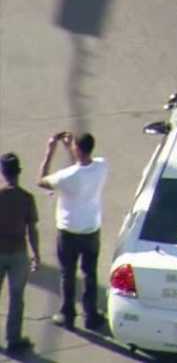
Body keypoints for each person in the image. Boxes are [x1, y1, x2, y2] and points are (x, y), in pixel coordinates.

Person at [38, 131, 109, 329]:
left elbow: (42, 181)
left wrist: (50, 150)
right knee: (90, 273)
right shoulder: (102, 166)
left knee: (67, 273)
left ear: (77, 149)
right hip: (91, 228)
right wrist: (71, 147)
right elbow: (81, 167)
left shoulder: (66, 176)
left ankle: (67, 314)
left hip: (68, 230)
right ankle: (91, 315)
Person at [0, 153, 39, 354]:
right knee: (16, 297)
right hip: (18, 254)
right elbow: (32, 230)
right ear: (19, 172)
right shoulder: (26, 199)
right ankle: (13, 339)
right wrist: (36, 254)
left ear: (2, 172)